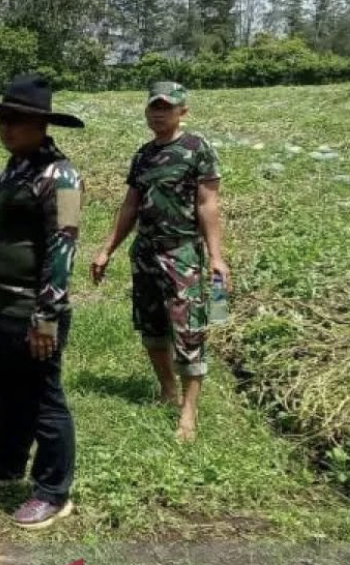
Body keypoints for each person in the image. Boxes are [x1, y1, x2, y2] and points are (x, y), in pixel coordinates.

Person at [0, 74, 84, 531]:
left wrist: (46, 315)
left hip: (33, 308)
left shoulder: (60, 176)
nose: (5, 127)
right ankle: (6, 464)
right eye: (2, 119)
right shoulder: (16, 166)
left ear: (41, 124)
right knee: (8, 391)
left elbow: (62, 247)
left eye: (15, 120)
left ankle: (52, 490)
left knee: (44, 398)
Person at [90, 81, 228, 443]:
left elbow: (207, 205)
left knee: (188, 330)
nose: (158, 113)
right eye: (153, 107)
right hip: (146, 252)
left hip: (181, 252)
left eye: (166, 107)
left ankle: (188, 411)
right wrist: (107, 249)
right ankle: (167, 389)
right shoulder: (144, 155)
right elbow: (131, 205)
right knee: (150, 326)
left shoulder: (197, 149)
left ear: (183, 111)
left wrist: (216, 257)